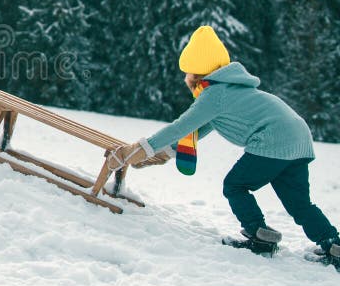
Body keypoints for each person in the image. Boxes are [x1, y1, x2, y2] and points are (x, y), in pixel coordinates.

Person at [108, 26, 339, 265]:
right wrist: (166, 152)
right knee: (299, 202)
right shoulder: (233, 89)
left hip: (272, 140)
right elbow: (197, 130)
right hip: (298, 139)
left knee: (235, 185)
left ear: (196, 74)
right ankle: (333, 245)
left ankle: (258, 236)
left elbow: (181, 126)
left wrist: (142, 148)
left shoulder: (214, 93)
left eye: (187, 74)